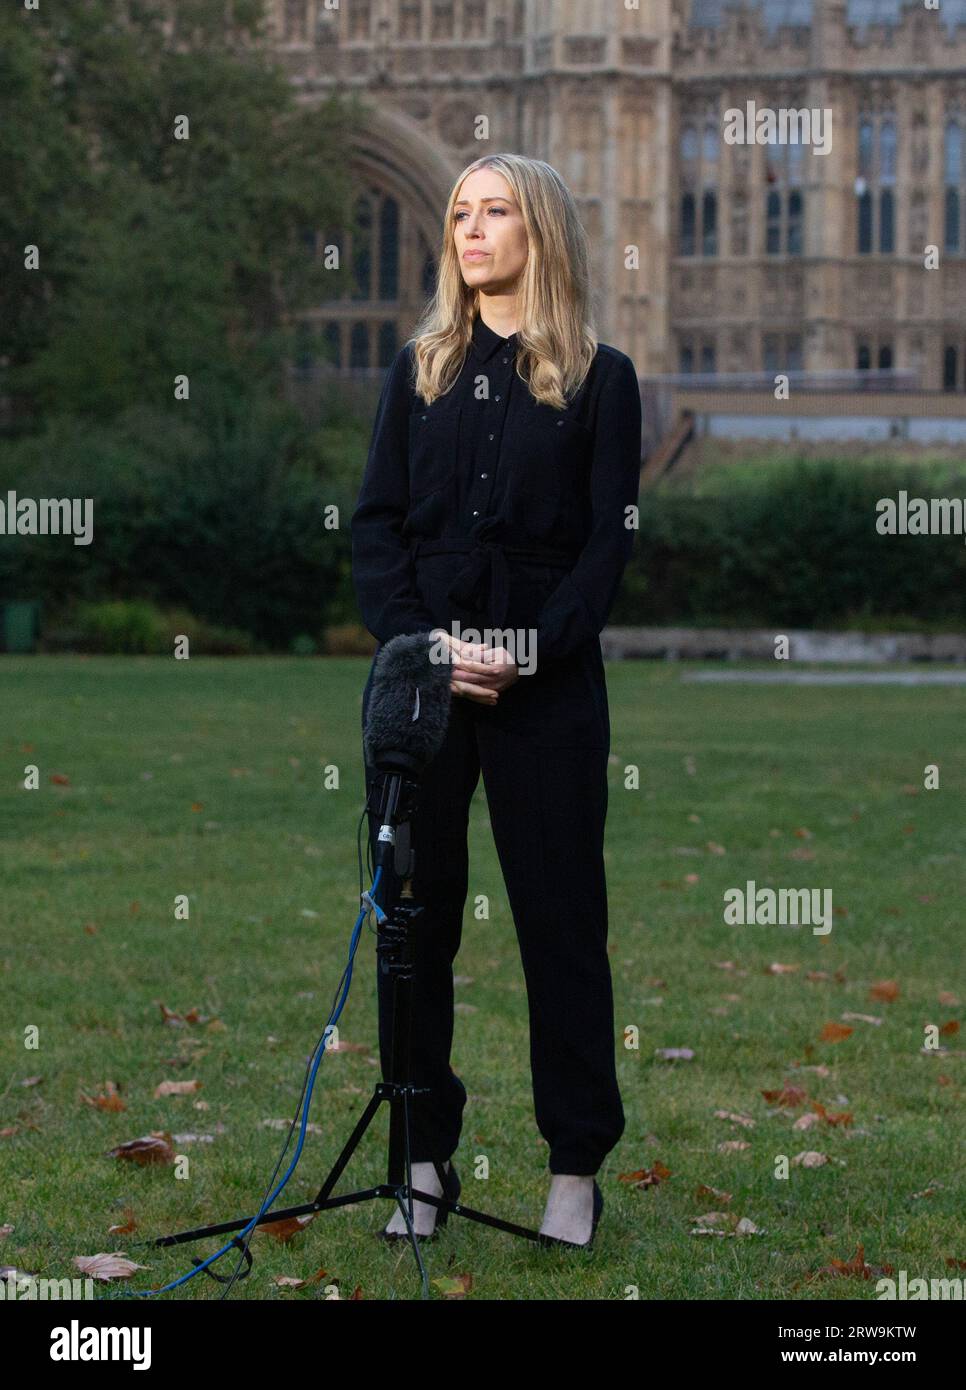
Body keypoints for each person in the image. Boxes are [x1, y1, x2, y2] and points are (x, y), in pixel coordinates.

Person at [350, 153, 642, 1249]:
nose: (470, 230)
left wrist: (523, 650)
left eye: (496, 210)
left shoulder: (601, 379)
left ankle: (575, 1168)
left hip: (545, 687)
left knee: (561, 929)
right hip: (423, 684)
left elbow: (603, 557)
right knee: (411, 926)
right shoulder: (417, 370)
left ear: (542, 229)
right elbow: (378, 530)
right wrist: (423, 645)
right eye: (460, 213)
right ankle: (421, 1159)